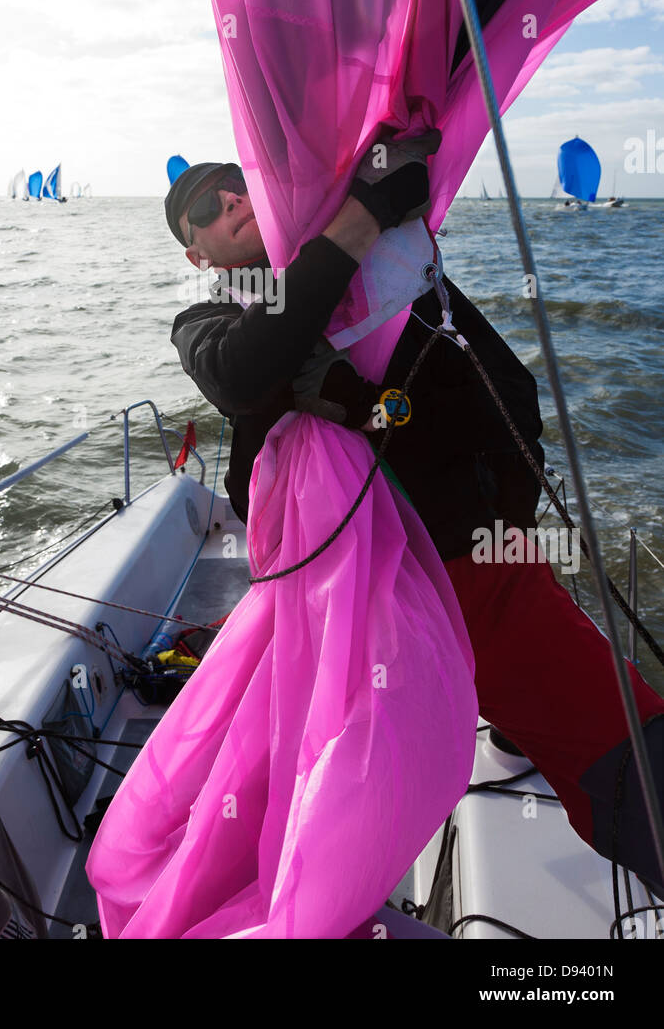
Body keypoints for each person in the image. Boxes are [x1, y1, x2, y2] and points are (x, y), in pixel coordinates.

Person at [165, 149, 664, 901]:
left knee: (627, 760)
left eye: (239, 184)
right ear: (198, 254)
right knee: (317, 816)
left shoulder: (392, 284)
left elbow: (504, 394)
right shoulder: (206, 322)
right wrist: (361, 218)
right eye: (205, 208)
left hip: (476, 575)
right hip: (351, 612)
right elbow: (242, 372)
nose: (229, 200)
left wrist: (380, 404)